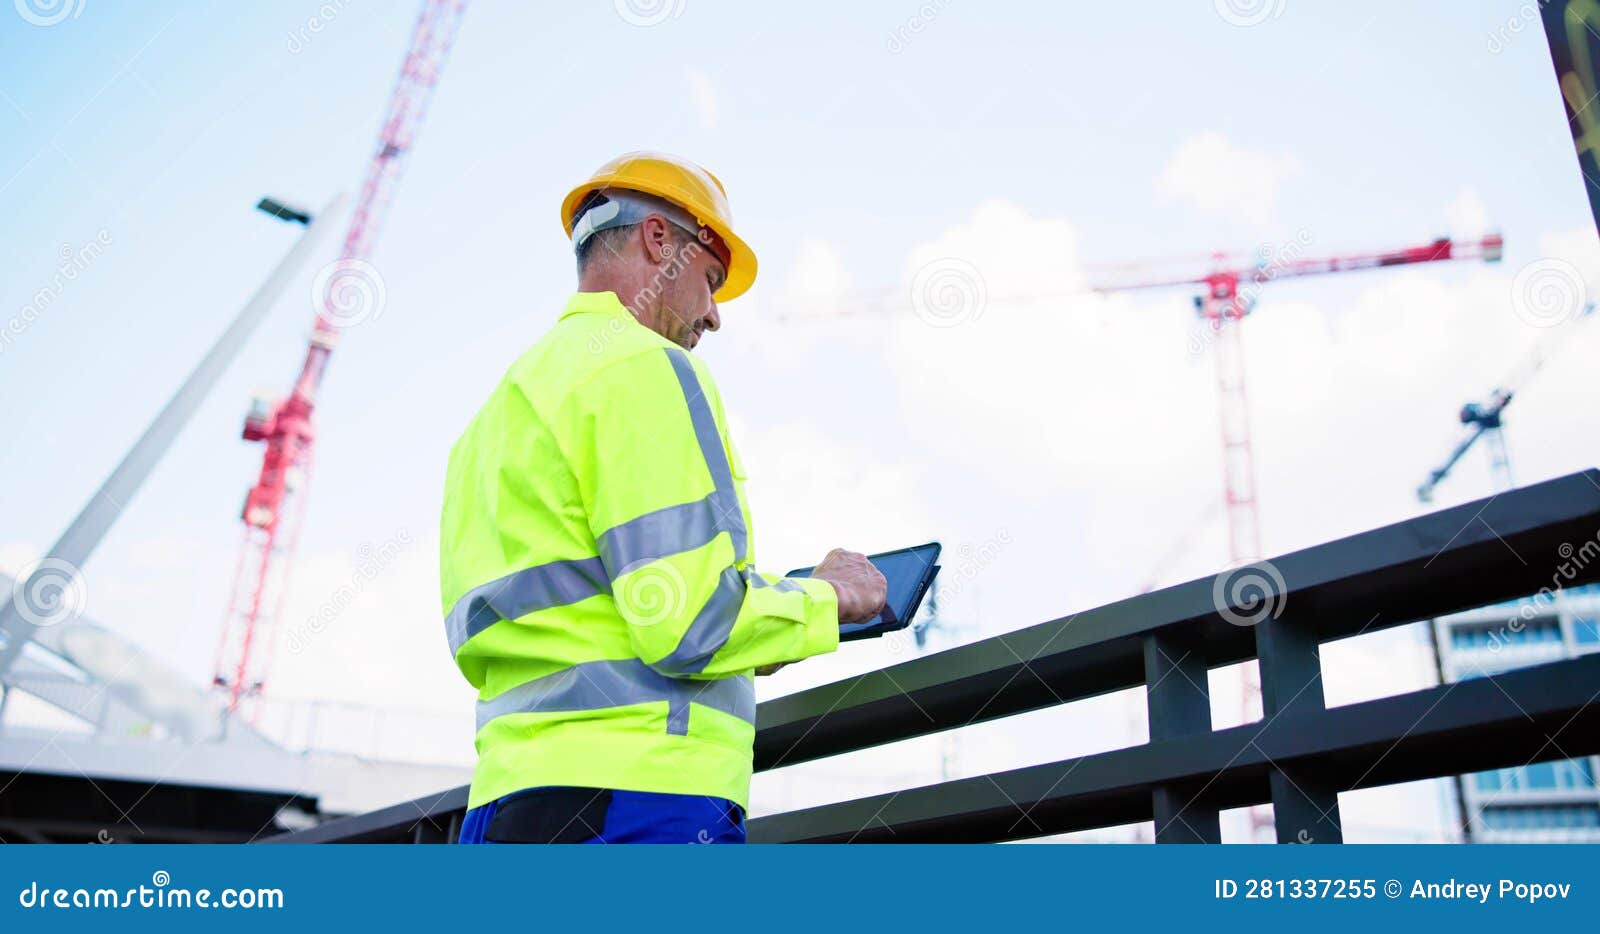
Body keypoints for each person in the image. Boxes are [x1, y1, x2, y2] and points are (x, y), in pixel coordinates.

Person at [440, 151, 887, 844]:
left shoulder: (500, 409)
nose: (713, 316)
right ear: (658, 242)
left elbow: (606, 613)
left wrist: (757, 628)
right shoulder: (644, 366)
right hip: (640, 800)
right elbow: (689, 626)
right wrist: (829, 597)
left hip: (502, 806)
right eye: (710, 281)